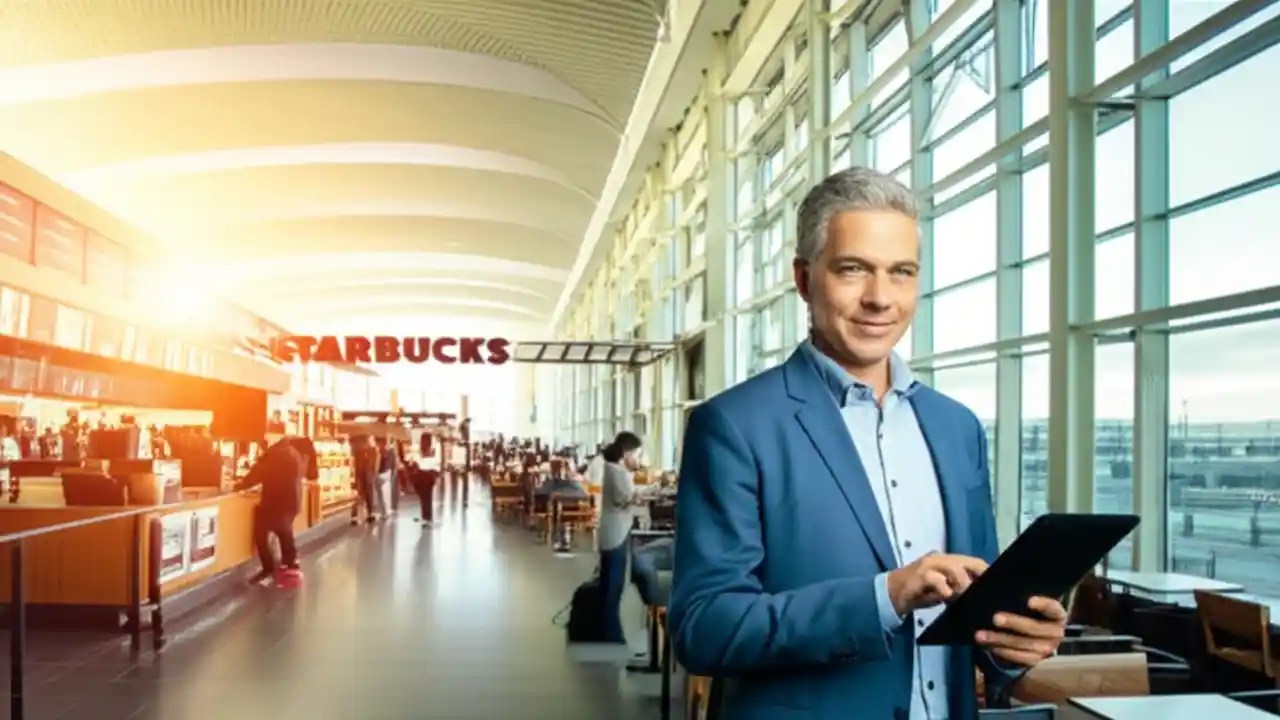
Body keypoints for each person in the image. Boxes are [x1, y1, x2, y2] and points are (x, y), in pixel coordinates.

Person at [668, 167, 1067, 719]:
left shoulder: (958, 428)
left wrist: (1013, 644)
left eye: (901, 273)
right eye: (854, 270)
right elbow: (704, 628)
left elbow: (978, 613)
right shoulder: (735, 426)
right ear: (805, 280)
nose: (881, 298)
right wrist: (886, 596)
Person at [239, 436, 311, 584]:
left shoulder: (273, 455)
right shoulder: (293, 453)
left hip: (275, 502)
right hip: (292, 502)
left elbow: (256, 474)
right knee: (285, 531)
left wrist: (240, 486)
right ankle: (291, 564)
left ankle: (268, 568)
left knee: (261, 534)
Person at [598, 431, 644, 644]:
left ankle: (609, 631)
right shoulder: (617, 471)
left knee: (610, 583)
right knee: (613, 584)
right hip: (615, 532)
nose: (638, 459)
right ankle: (610, 634)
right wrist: (639, 496)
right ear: (626, 453)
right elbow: (623, 498)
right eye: (636, 454)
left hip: (614, 530)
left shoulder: (616, 470)